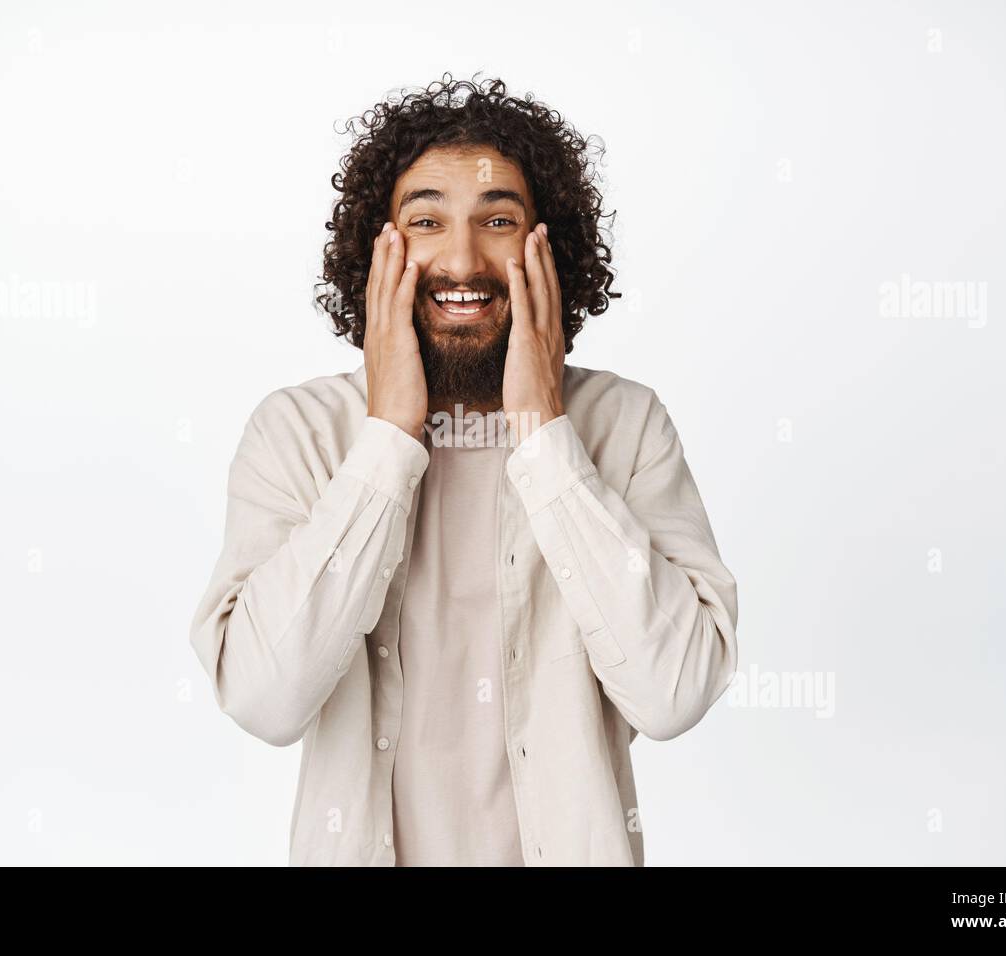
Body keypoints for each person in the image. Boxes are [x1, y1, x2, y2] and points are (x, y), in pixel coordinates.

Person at [189, 75, 738, 866]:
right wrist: (386, 440)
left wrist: (545, 433)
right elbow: (263, 700)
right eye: (425, 220)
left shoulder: (626, 426)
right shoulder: (299, 433)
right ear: (378, 251)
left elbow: (676, 693)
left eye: (498, 220)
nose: (460, 258)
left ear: (548, 245)